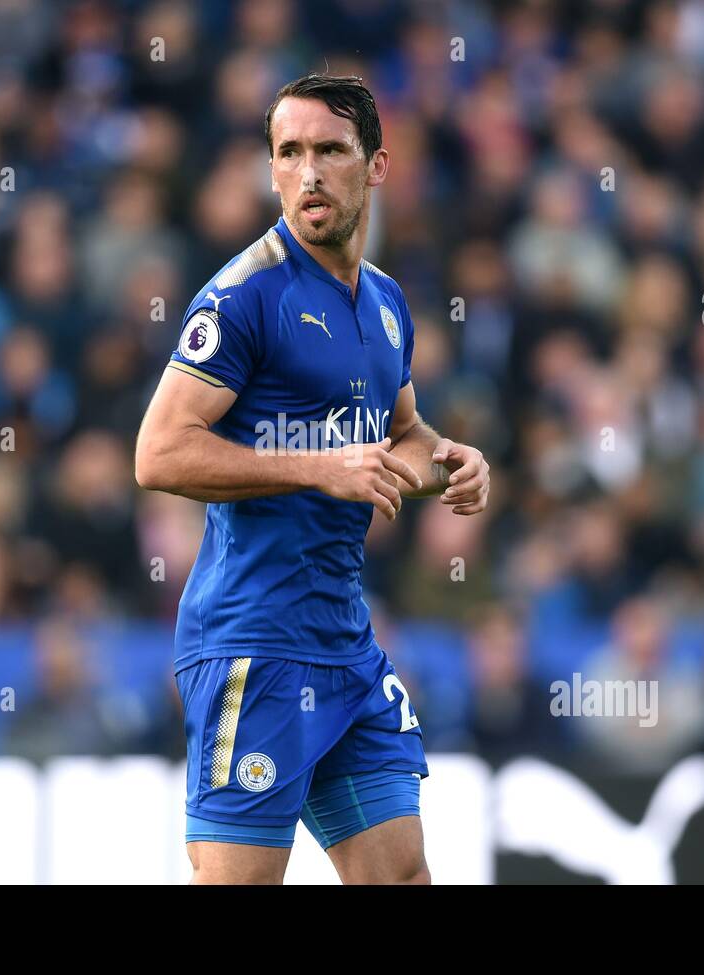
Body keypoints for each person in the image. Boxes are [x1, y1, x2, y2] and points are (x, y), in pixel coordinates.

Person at [135, 75, 490, 884]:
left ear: (376, 167)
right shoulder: (242, 297)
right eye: (288, 153)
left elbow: (401, 437)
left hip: (345, 643)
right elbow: (157, 454)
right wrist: (316, 468)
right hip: (252, 645)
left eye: (330, 150)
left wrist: (451, 460)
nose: (307, 172)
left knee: (401, 875)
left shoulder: (389, 304)